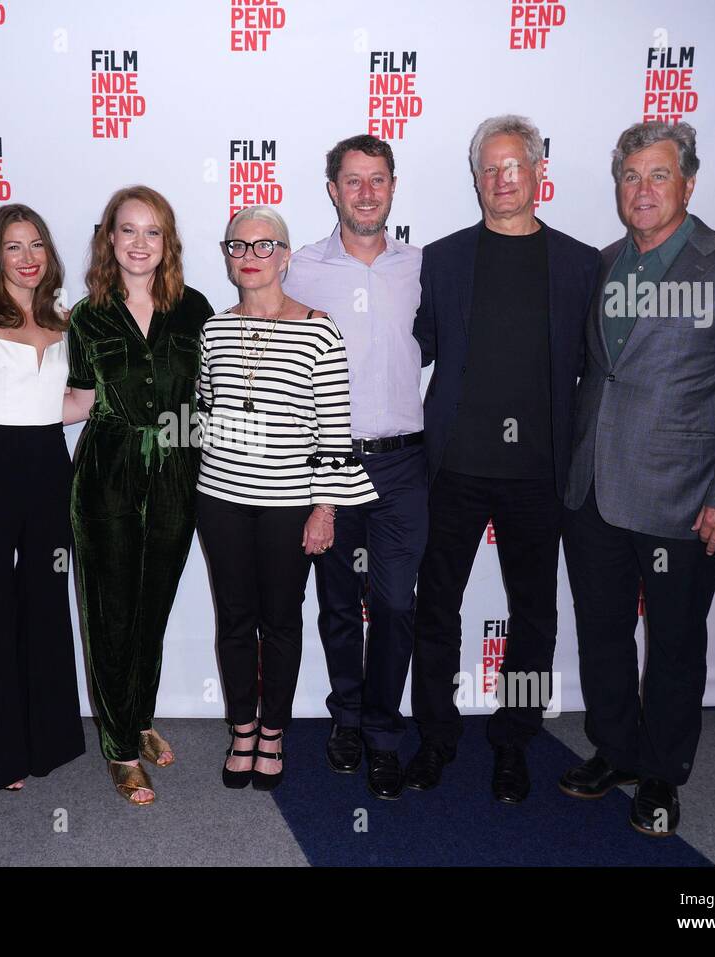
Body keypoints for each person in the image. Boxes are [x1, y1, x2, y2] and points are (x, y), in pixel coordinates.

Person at [561, 121, 715, 836]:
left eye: (659, 175)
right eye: (631, 176)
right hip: (592, 487)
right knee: (602, 633)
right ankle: (616, 748)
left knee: (677, 642)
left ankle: (662, 772)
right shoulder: (600, 263)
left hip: (685, 498)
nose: (643, 190)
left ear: (689, 181)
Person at [409, 116, 600, 803]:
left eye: (512, 166)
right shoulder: (443, 258)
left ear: (539, 173)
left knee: (533, 615)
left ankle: (514, 739)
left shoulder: (582, 265)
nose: (500, 180)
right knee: (436, 608)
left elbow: (596, 368)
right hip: (453, 467)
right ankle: (435, 737)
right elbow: (415, 350)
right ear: (476, 178)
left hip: (538, 474)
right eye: (488, 168)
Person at [199, 205, 377, 791]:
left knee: (279, 621)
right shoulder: (214, 330)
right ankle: (241, 728)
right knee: (233, 619)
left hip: (287, 505)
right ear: (227, 256)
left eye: (263, 245)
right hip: (220, 498)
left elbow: (333, 427)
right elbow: (205, 413)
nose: (250, 258)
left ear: (286, 254)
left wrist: (324, 508)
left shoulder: (321, 329)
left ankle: (273, 731)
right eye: (238, 247)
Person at [283, 135, 425, 800]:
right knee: (339, 606)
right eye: (353, 181)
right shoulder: (301, 268)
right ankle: (346, 720)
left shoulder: (422, 266)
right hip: (330, 464)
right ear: (333, 189)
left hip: (402, 466)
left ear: (392, 187)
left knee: (395, 605)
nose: (366, 192)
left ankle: (383, 732)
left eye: (377, 180)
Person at [63, 185, 214, 805]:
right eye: (128, 230)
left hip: (179, 469)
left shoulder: (195, 308)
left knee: (153, 607)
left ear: (167, 242)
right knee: (110, 613)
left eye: (152, 232)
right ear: (109, 239)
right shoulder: (86, 315)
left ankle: (141, 717)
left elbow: (212, 395)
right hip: (108, 470)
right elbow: (76, 399)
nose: (140, 243)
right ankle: (121, 748)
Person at [0, 204, 86, 798]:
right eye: (14, 247)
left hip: (51, 473)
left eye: (37, 246)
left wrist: (128, 396)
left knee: (46, 606)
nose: (28, 258)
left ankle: (44, 741)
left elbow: (65, 406)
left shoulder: (63, 322)